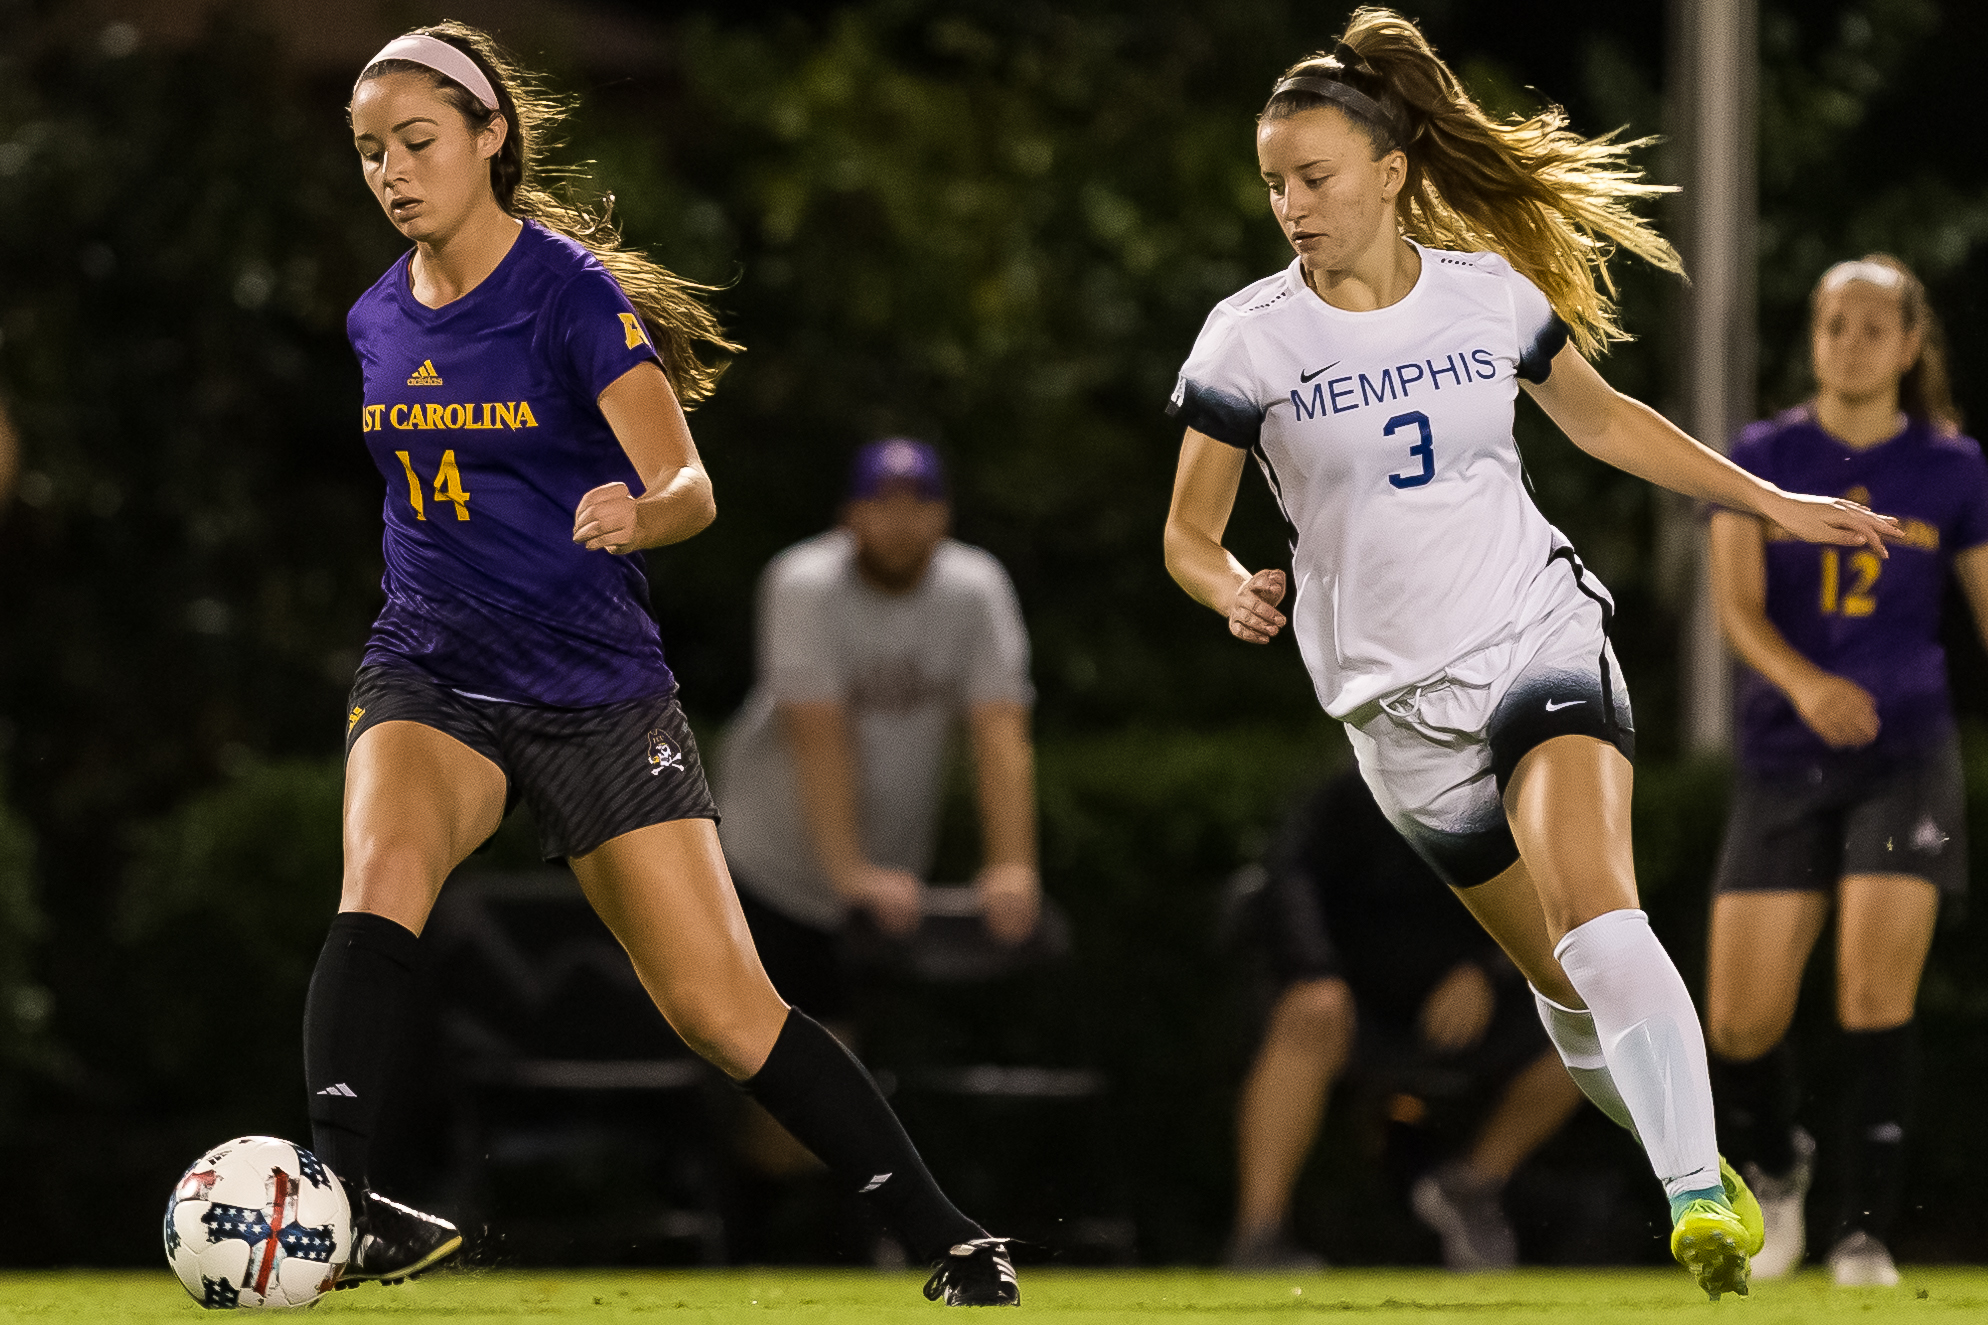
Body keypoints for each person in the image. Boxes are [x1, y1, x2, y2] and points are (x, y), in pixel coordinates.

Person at [1159, 9, 1895, 1299]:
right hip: (1394, 714)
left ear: (1387, 173)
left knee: (1600, 914)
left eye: (1314, 177)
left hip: (1530, 633)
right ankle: (1701, 1159)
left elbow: (1604, 423)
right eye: (1273, 182)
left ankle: (1690, 1198)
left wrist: (1770, 504)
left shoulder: (1487, 296)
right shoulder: (1246, 339)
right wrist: (1228, 586)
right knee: (1562, 983)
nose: (1290, 204)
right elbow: (1184, 531)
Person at [310, 24, 1017, 1304]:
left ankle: (948, 1231)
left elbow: (686, 482)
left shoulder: (570, 293)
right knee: (382, 870)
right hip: (430, 663)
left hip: (590, 690)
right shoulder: (373, 316)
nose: (392, 172)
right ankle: (339, 1198)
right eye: (370, 152)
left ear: (490, 138)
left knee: (720, 1007)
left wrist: (640, 511)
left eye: (416, 142)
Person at [1703, 255, 1988, 1287]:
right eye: (1832, 324)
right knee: (1738, 1016)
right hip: (1783, 755)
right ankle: (1775, 1172)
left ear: (1909, 345)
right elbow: (1734, 607)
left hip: (1902, 752)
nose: (1849, 343)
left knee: (1872, 992)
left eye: (1872, 327)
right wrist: (1803, 681)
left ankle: (1862, 1229)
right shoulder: (1762, 454)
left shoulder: (1952, 467)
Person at [716, 437, 1040, 1037]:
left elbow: (999, 731)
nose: (900, 522)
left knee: (850, 1071)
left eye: (918, 503)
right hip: (772, 870)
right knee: (783, 1070)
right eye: (881, 502)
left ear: (944, 514)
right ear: (850, 514)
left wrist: (1013, 865)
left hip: (886, 882)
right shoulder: (804, 584)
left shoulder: (975, 590)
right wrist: (851, 873)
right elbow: (817, 735)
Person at [1228, 768, 1583, 1272]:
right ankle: (1258, 1237)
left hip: (1475, 1008)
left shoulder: (1508, 789)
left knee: (1587, 1022)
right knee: (1311, 1011)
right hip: (1356, 1001)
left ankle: (1470, 1188)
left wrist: (1489, 970)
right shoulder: (1349, 790)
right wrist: (1316, 970)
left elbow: (1555, 898)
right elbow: (1289, 879)